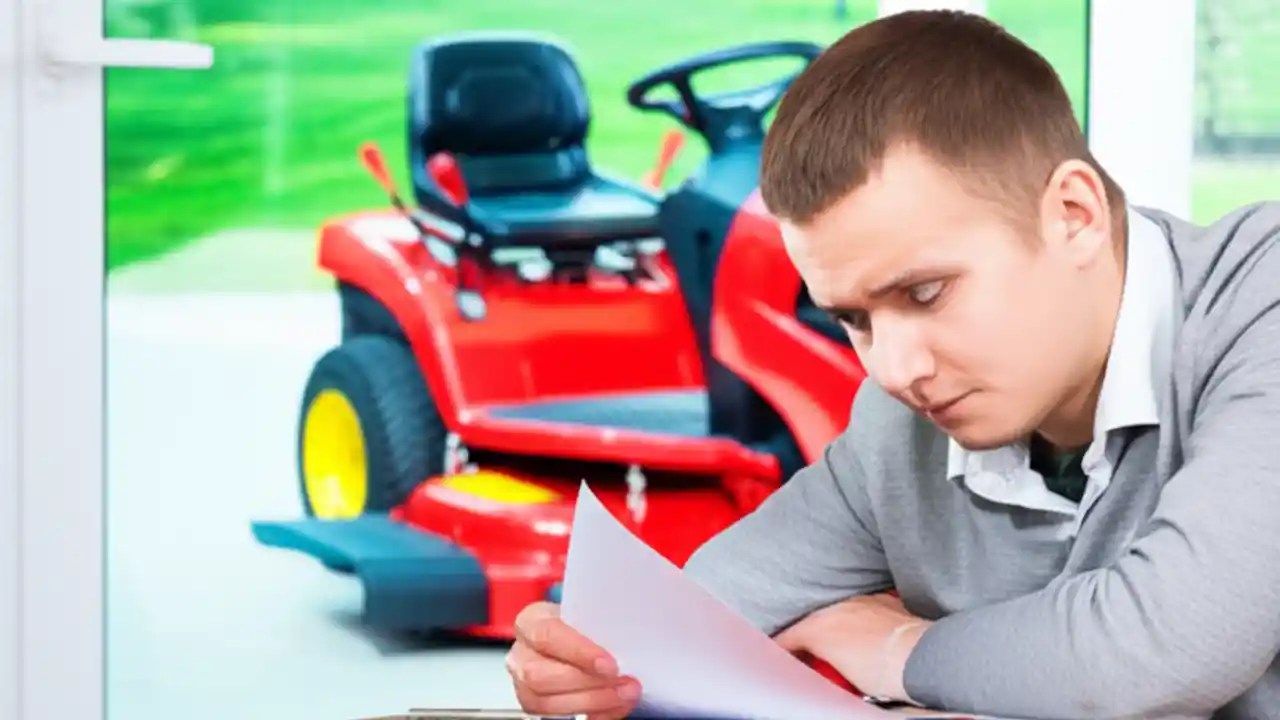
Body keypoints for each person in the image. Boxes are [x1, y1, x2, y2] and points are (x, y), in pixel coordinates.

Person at [504, 10, 1280, 720]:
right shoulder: (901, 427)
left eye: (926, 292)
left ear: (1072, 216)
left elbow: (1163, 649)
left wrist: (897, 652)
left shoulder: (1262, 306)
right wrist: (585, 660)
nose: (895, 369)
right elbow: (699, 617)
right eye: (853, 318)